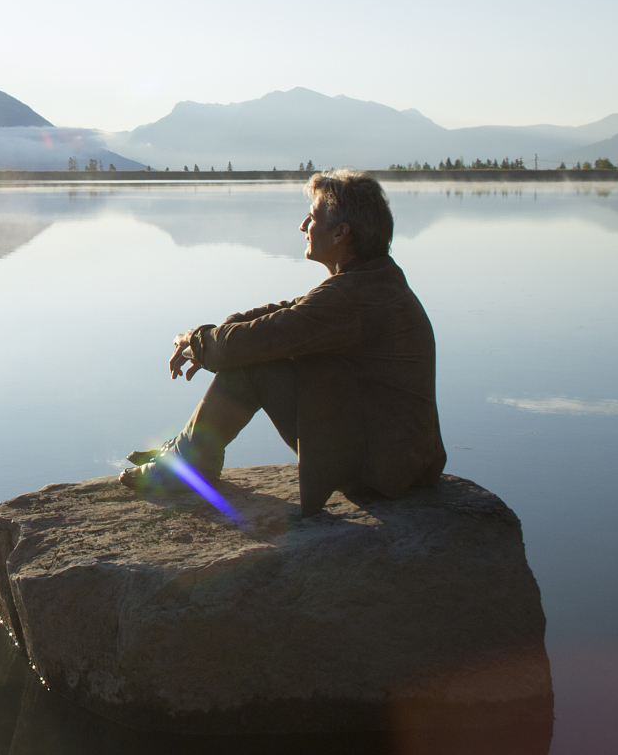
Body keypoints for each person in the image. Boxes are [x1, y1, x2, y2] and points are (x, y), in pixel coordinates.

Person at [120, 169, 445, 517]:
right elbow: (287, 313)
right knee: (254, 349)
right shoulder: (374, 281)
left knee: (252, 364)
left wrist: (196, 342)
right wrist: (213, 335)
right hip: (405, 461)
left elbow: (254, 341)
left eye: (313, 217)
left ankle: (188, 461)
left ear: (341, 232)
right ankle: (186, 452)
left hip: (380, 471)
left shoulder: (350, 298)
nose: (303, 226)